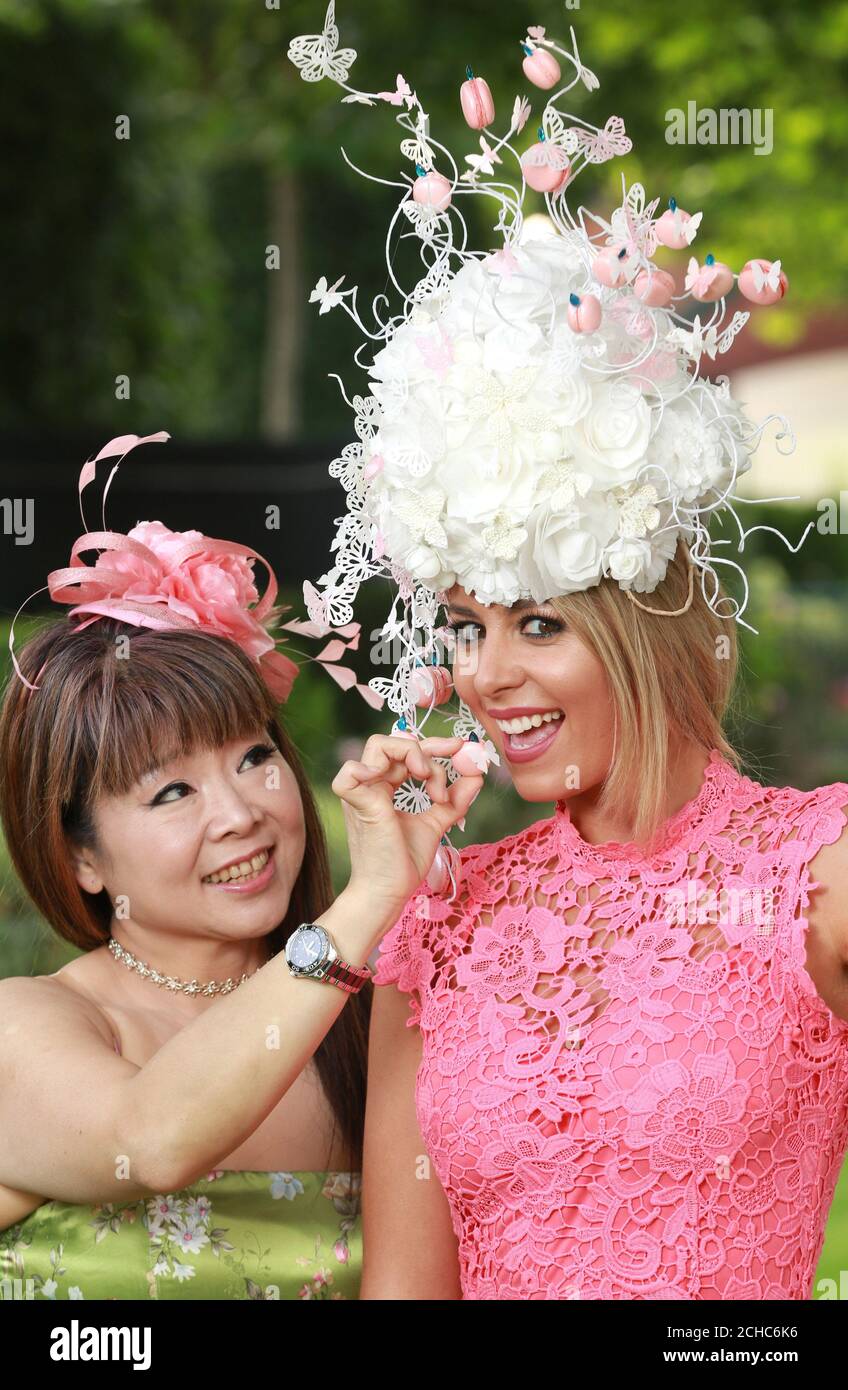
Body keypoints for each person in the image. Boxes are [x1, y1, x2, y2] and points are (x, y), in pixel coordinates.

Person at [287, 11, 848, 1298]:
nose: (486, 677)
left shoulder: (809, 873)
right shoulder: (444, 913)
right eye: (469, 627)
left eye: (537, 624)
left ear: (641, 623)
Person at [0, 434, 482, 1300]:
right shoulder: (25, 1029)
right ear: (80, 856)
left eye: (254, 757)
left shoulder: (374, 1027)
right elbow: (152, 1140)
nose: (240, 813)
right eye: (170, 793)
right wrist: (370, 897)